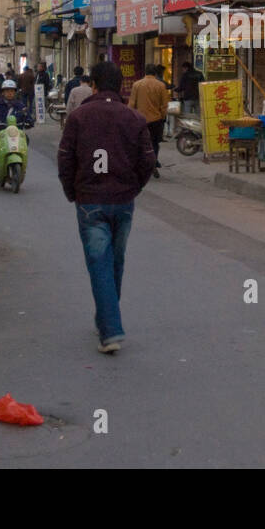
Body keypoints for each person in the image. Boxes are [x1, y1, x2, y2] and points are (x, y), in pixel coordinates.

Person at [57, 61, 156, 354]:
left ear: (95, 85)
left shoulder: (79, 117)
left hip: (90, 200)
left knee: (100, 262)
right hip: (123, 200)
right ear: (121, 85)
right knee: (115, 260)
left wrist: (71, 191)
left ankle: (110, 330)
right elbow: (148, 161)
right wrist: (134, 187)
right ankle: (105, 319)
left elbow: (65, 159)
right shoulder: (134, 118)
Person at [128, 63, 169, 179]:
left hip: (140, 120)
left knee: (140, 143)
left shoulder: (137, 85)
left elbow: (132, 103)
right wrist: (162, 116)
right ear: (155, 73)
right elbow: (164, 105)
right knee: (154, 143)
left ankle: (141, 165)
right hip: (156, 120)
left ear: (145, 72)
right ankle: (153, 162)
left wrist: (129, 117)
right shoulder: (161, 85)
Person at [0, 79, 32, 155]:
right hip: (0, 133)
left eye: (12, 91)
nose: (10, 93)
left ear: (15, 93)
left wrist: (29, 122)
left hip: (16, 133)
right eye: (7, 91)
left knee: (26, 139)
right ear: (3, 92)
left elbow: (28, 117)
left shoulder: (20, 106)